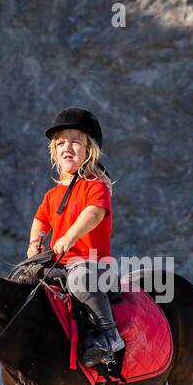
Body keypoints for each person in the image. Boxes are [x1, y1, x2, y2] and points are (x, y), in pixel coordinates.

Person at [28, 107, 125, 367]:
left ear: (89, 150)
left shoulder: (96, 184)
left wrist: (70, 236)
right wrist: (34, 243)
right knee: (26, 279)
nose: (66, 147)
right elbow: (40, 220)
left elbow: (94, 213)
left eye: (75, 142)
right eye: (61, 143)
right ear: (54, 152)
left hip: (93, 263)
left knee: (80, 279)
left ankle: (109, 334)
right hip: (60, 264)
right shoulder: (52, 194)